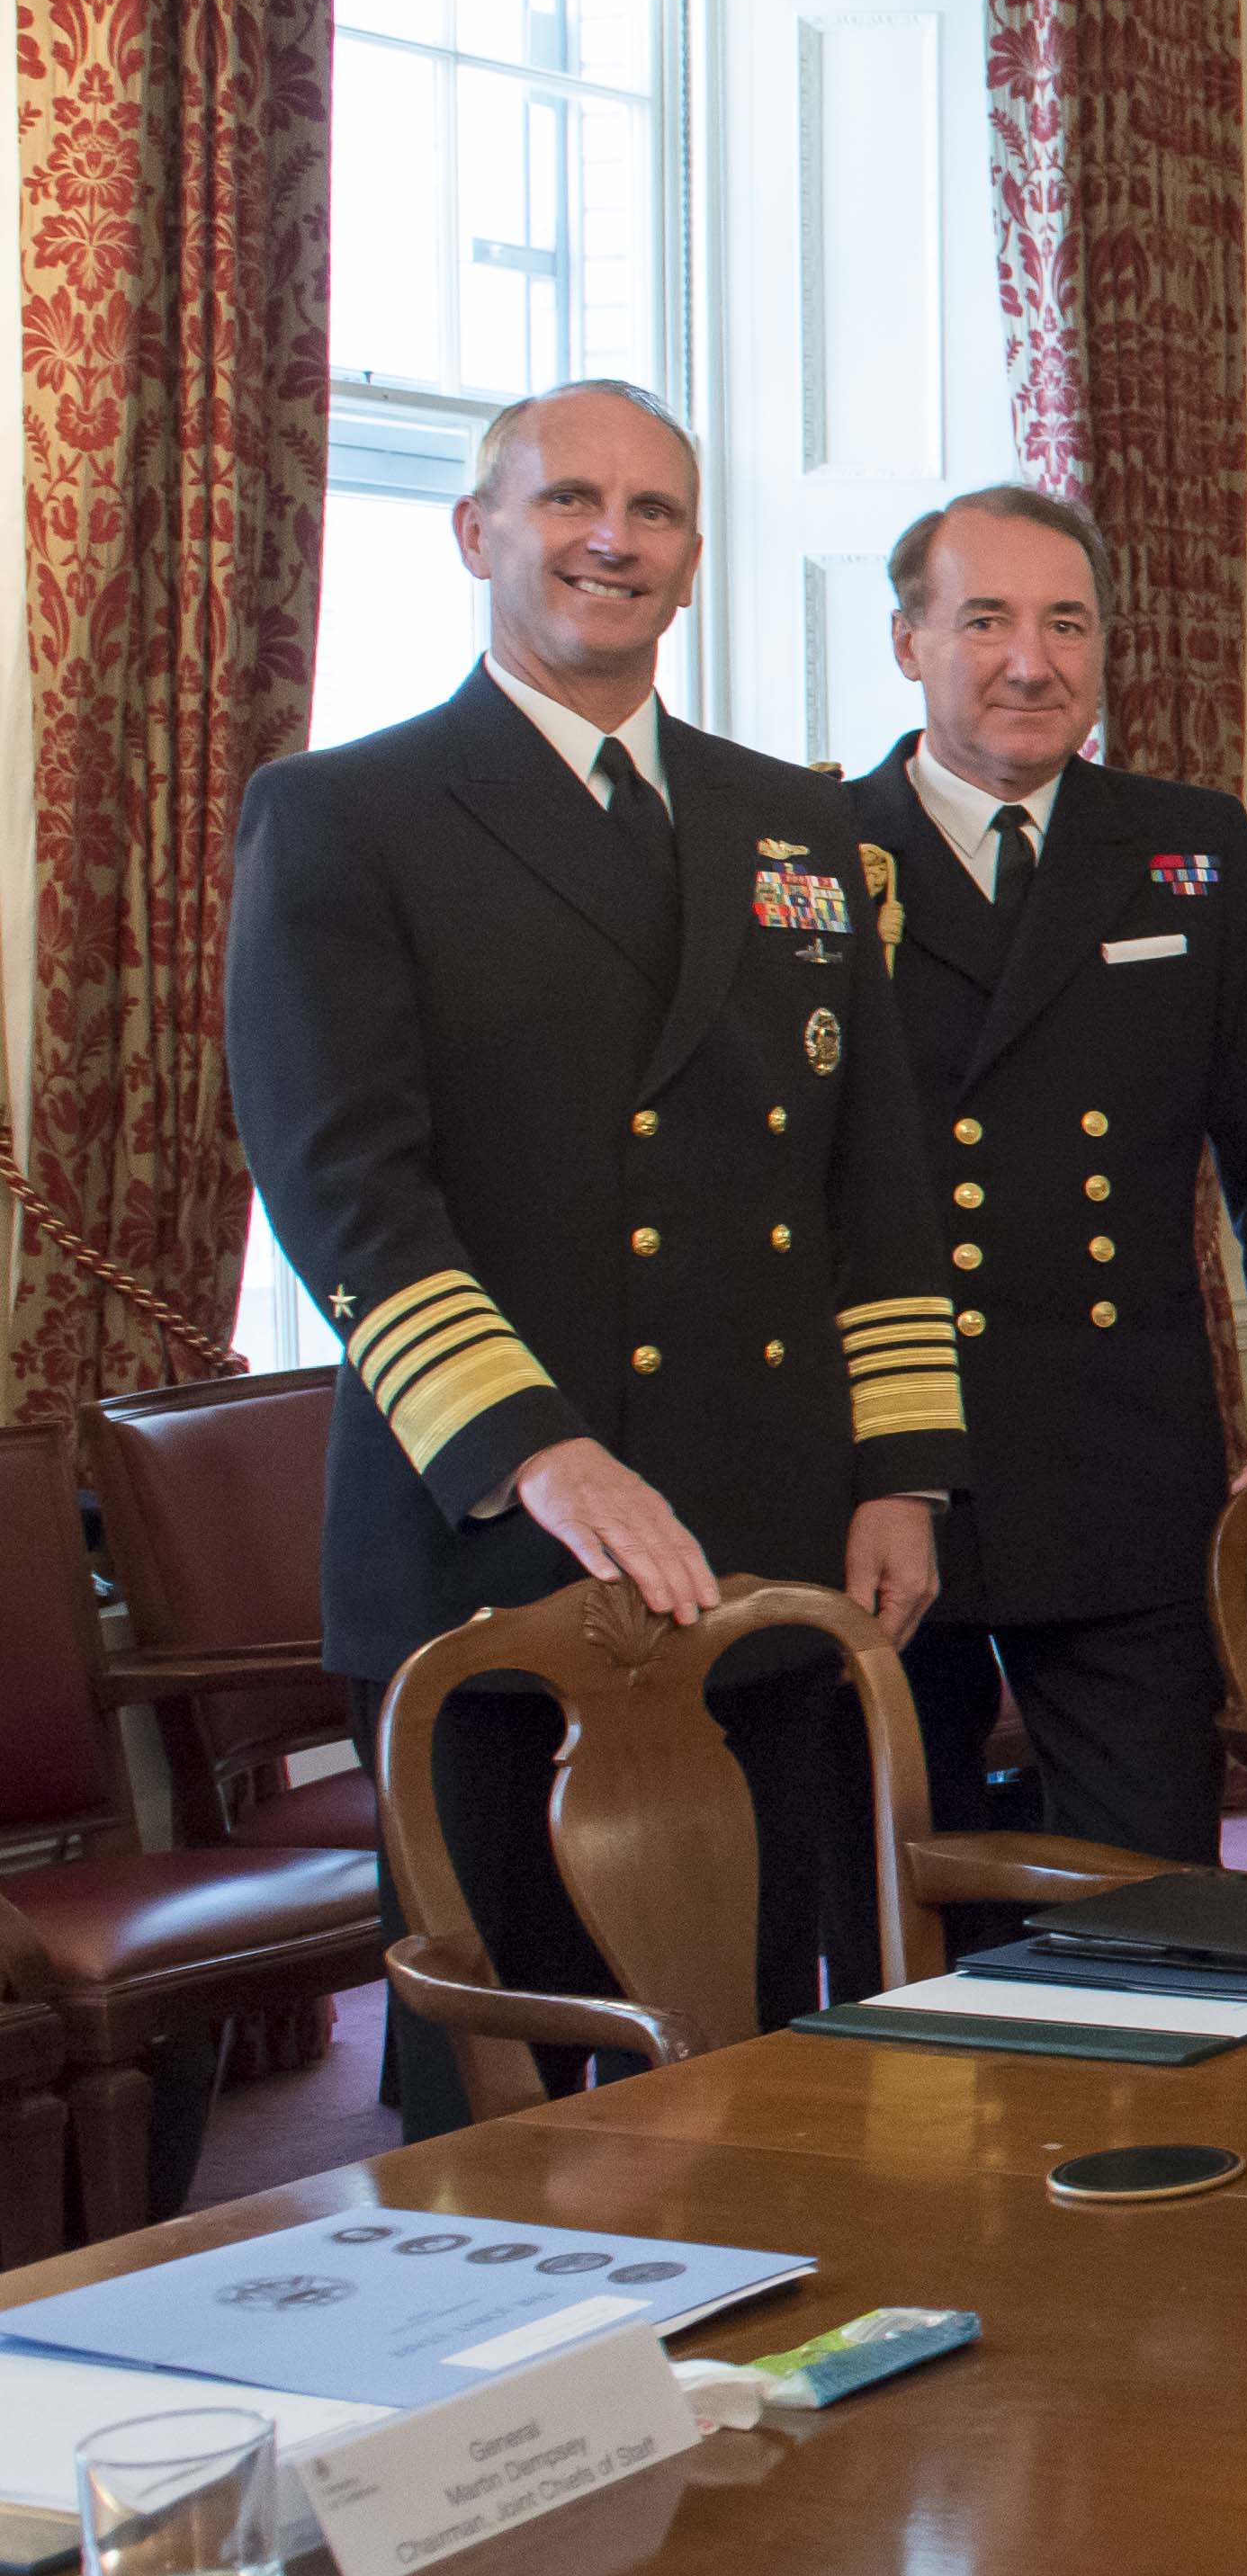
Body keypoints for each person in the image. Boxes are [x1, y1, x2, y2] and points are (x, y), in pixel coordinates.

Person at [227, 380, 962, 2137]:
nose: (611, 539)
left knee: (758, 2028)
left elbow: (872, 1182)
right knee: (515, 2072)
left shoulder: (794, 822)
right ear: (479, 532)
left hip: (762, 1534)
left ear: (694, 562)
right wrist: (539, 1452)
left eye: (653, 512)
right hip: (488, 1535)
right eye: (569, 500)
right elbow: (346, 1190)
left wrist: (901, 1470)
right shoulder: (348, 815)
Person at [850, 482, 1247, 1859]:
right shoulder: (809, 860)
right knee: (871, 1903)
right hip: (881, 1469)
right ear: (906, 640)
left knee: (1152, 1891)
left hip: (1117, 1468)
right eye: (984, 621)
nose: (1030, 661)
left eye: (1066, 623)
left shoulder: (1186, 848)